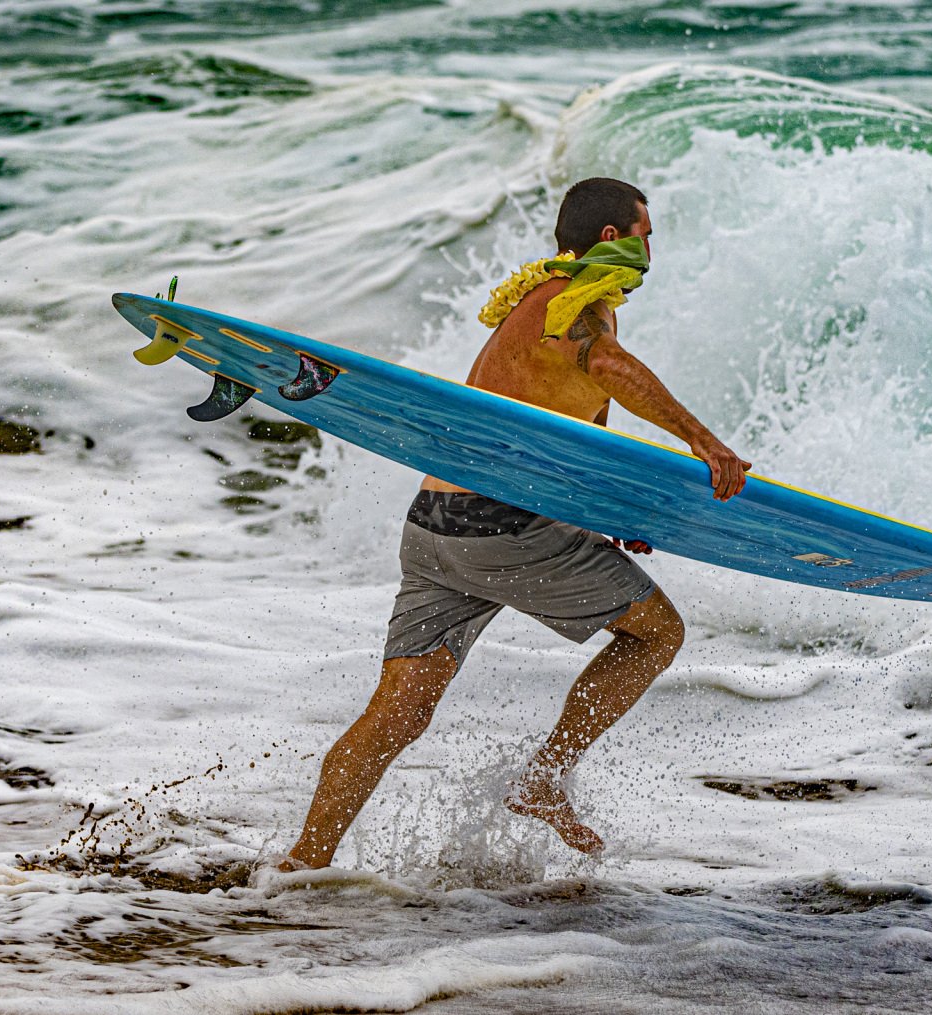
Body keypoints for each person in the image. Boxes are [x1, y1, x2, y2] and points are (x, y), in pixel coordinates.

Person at [278, 178, 749, 868]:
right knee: (657, 632)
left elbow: (577, 425)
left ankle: (300, 866)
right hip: (502, 528)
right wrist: (704, 443)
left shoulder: (540, 302)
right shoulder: (574, 307)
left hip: (436, 527)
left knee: (397, 716)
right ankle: (546, 776)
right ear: (612, 240)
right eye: (647, 234)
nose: (653, 248)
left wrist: (605, 514)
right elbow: (608, 366)